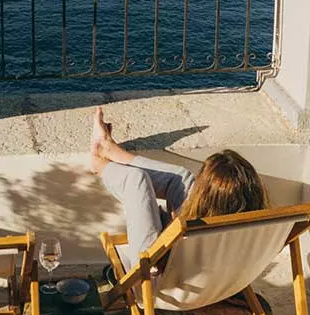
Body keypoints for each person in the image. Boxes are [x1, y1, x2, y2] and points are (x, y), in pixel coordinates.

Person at [87, 107, 266, 270]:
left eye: (201, 185)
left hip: (151, 278)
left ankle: (98, 164)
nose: (197, 186)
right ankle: (110, 149)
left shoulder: (190, 234)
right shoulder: (255, 231)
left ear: (203, 196)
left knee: (136, 180)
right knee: (183, 178)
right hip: (220, 282)